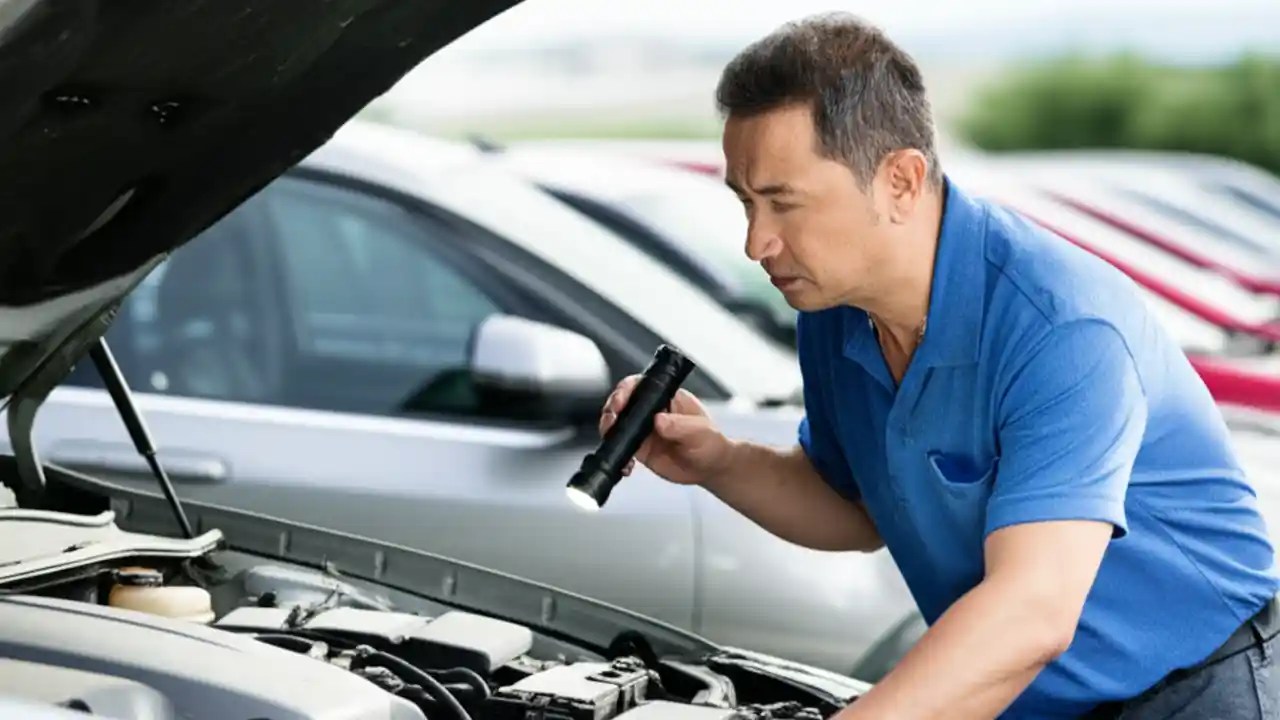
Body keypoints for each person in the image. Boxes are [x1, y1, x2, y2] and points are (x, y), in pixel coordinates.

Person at [598, 12, 1280, 719]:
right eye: (744, 202)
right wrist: (717, 460)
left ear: (900, 180)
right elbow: (855, 510)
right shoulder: (834, 314)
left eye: (782, 203)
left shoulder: (1061, 325)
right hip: (1021, 694)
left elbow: (1032, 612)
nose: (755, 243)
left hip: (1199, 688)